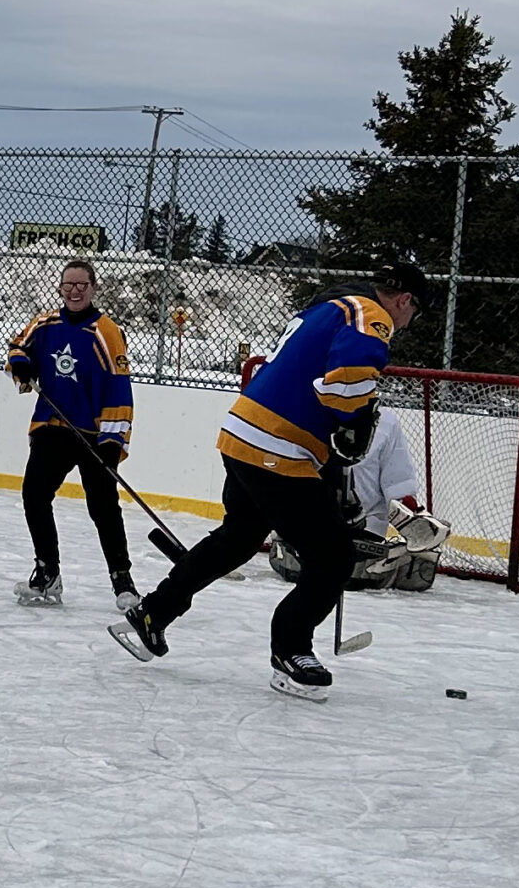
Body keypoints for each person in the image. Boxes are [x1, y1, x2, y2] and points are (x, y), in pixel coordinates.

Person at [111, 263, 429, 701]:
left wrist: (334, 475)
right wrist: (355, 420)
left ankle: (152, 614)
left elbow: (309, 387)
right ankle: (290, 653)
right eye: (414, 313)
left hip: (243, 433)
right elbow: (345, 388)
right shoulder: (370, 314)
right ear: (404, 300)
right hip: (277, 449)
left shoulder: (328, 307)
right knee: (332, 557)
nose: (408, 323)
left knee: (239, 538)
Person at [6, 259, 141, 611]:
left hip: (94, 435)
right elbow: (18, 346)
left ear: (94, 288)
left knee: (102, 506)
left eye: (82, 285)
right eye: (68, 285)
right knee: (34, 495)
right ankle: (47, 572)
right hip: (53, 427)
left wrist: (113, 442)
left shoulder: (107, 332)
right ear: (61, 288)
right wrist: (21, 365)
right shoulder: (46, 323)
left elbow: (118, 389)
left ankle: (122, 580)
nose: (74, 291)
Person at [268, 408, 451, 592]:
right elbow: (399, 487)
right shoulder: (382, 420)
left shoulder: (300, 409)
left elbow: (399, 484)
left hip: (332, 540)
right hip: (338, 541)